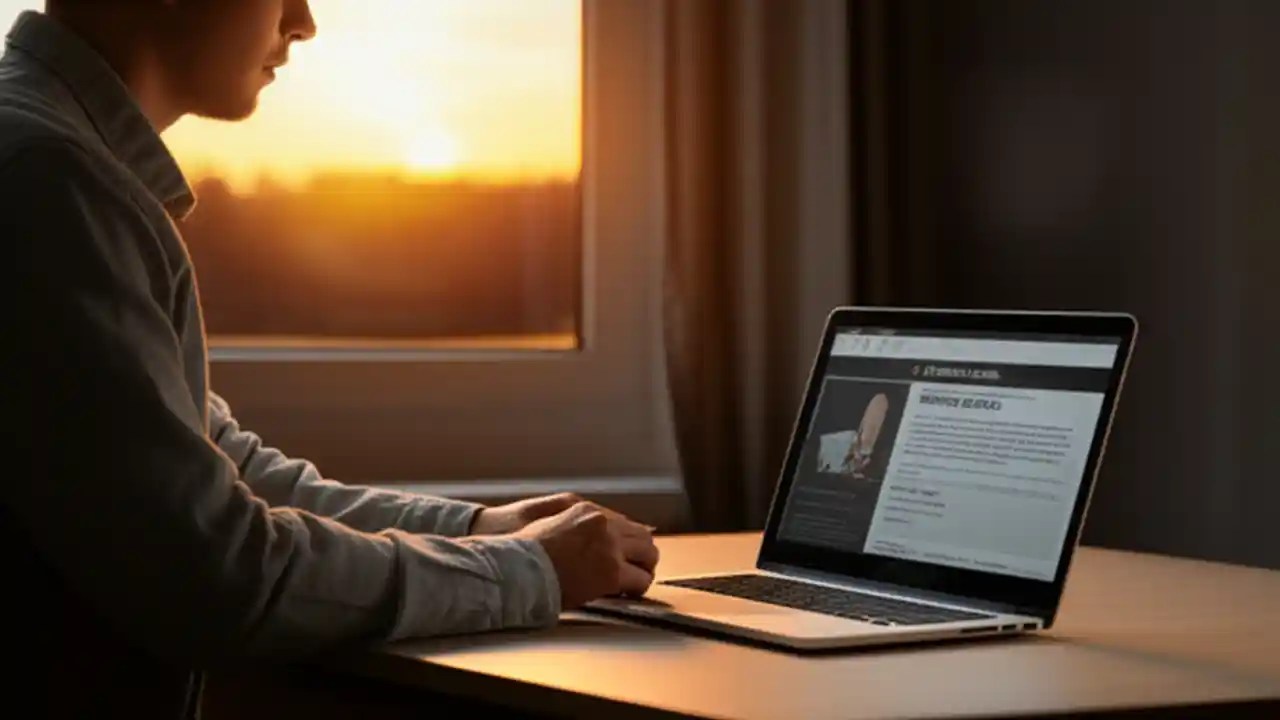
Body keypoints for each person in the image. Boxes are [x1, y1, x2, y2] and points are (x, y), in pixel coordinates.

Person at [0, 1, 659, 717]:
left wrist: (475, 531)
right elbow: (218, 576)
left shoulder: (61, 162)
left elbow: (218, 470)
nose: (303, 20)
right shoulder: (48, 183)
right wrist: (528, 572)